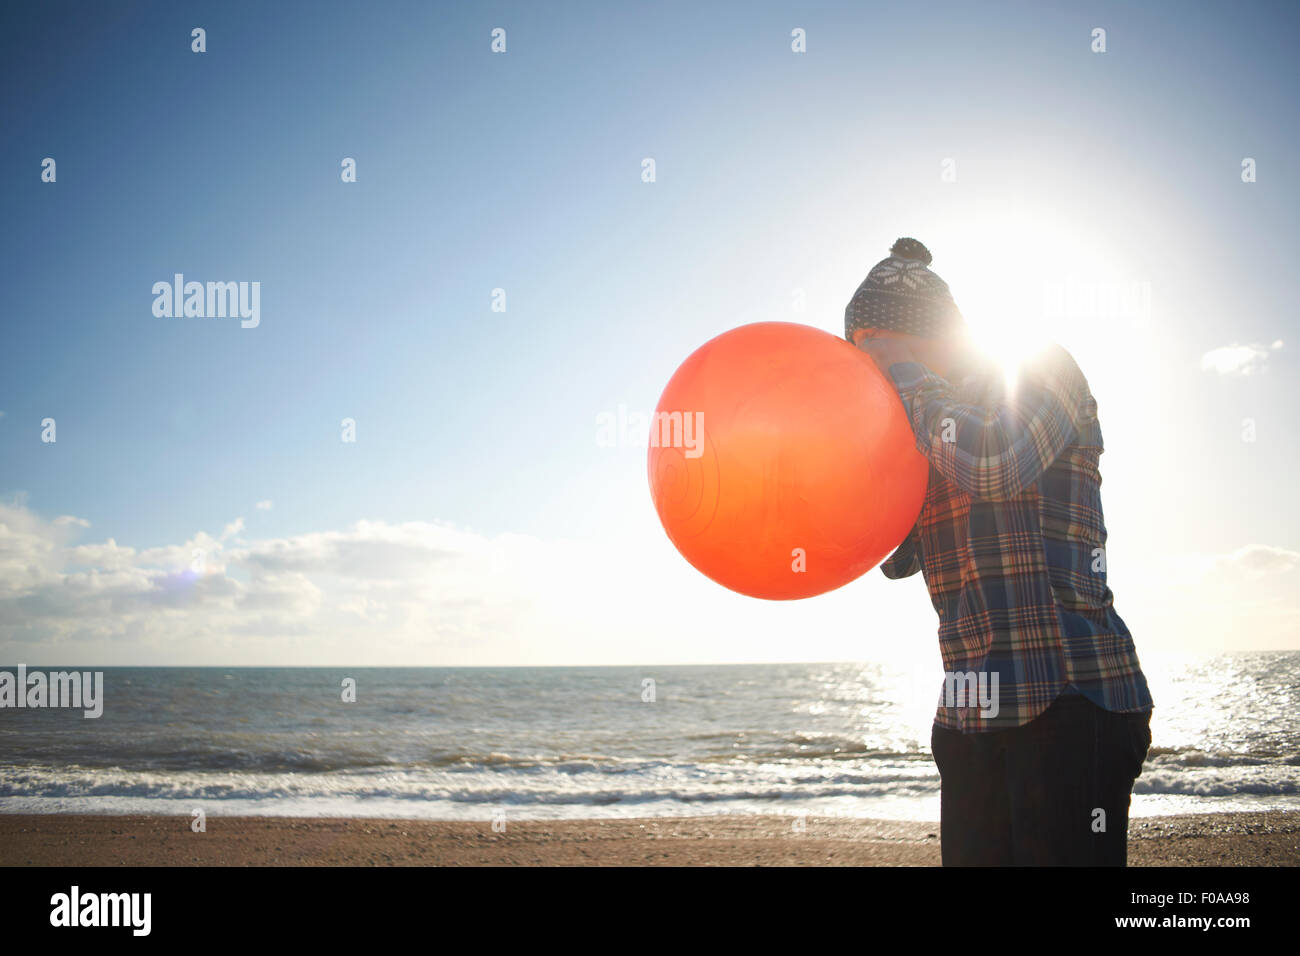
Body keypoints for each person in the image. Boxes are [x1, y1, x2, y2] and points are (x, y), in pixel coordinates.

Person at [847, 237, 1154, 866]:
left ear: (917, 337)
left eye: (871, 341)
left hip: (1071, 702)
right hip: (968, 715)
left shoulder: (1039, 367)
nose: (866, 360)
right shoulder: (917, 423)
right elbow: (894, 555)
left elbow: (995, 463)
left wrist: (905, 377)